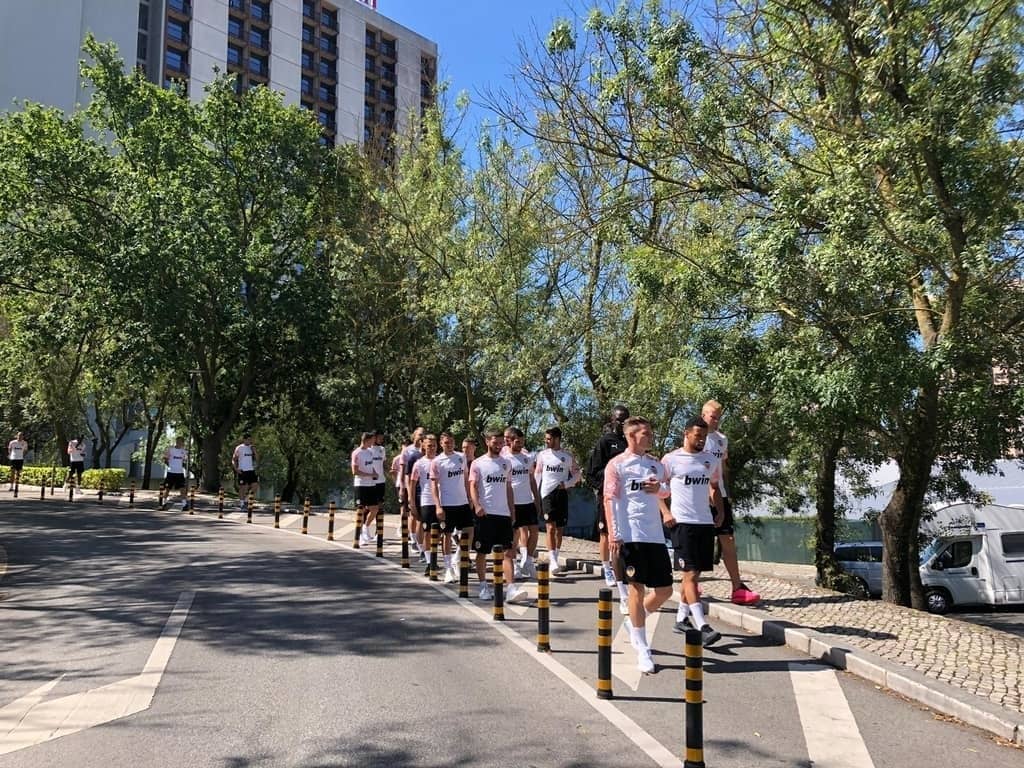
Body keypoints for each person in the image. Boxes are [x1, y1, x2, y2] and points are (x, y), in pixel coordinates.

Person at [604, 416, 673, 674]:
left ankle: (635, 619)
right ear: (631, 436)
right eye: (646, 433)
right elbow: (609, 499)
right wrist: (614, 534)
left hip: (655, 535)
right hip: (630, 534)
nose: (651, 436)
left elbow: (666, 489)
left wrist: (660, 489)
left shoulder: (655, 464)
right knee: (636, 589)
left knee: (665, 590)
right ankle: (643, 648)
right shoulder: (617, 465)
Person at [662, 416, 724, 647]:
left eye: (704, 437)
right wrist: (665, 512)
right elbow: (657, 488)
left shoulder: (710, 460)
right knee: (689, 573)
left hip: (705, 523)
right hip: (682, 523)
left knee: (695, 574)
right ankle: (702, 625)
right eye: (698, 436)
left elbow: (714, 487)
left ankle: (681, 619)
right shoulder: (671, 460)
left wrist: (720, 510)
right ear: (686, 434)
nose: (701, 440)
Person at [702, 400, 760, 606]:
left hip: (720, 494)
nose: (716, 421)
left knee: (728, 539)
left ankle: (737, 587)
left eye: (718, 417)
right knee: (700, 542)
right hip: (699, 496)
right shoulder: (696, 437)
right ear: (703, 415)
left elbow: (723, 467)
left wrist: (727, 492)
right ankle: (691, 585)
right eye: (713, 417)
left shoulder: (722, 440)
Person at [470, 428, 527, 603]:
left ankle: (511, 589)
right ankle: (483, 586)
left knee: (508, 552)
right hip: (485, 514)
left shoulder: (506, 463)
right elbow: (472, 486)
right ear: (487, 441)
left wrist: (512, 510)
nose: (498, 445)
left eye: (501, 442)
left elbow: (508, 488)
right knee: (482, 552)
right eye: (495, 442)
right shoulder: (478, 463)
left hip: (503, 514)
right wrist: (477, 505)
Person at [587, 405, 630, 590]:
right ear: (613, 420)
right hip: (608, 496)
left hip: (626, 498)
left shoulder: (629, 442)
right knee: (606, 533)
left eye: (626, 420)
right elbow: (591, 473)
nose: (623, 423)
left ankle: (621, 566)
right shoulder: (605, 442)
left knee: (624, 533)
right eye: (620, 420)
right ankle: (607, 568)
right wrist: (606, 486)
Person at [534, 426, 581, 575]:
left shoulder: (567, 456)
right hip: (547, 494)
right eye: (546, 438)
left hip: (561, 494)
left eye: (549, 439)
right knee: (550, 527)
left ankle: (556, 555)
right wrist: (534, 495)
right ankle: (553, 561)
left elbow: (577, 474)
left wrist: (567, 484)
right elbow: (537, 475)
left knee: (560, 529)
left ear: (557, 439)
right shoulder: (542, 455)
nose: (546, 441)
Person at [430, 431, 474, 583]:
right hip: (447, 503)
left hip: (463, 502)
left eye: (451, 442)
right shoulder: (437, 461)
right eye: (446, 442)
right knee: (447, 535)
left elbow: (466, 479)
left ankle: (457, 557)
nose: (449, 445)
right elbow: (434, 485)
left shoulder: (461, 457)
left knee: (469, 531)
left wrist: (470, 498)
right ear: (441, 444)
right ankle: (448, 569)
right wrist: (438, 506)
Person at [505, 427, 541, 579]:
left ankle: (528, 561)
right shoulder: (505, 460)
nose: (520, 445)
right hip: (513, 503)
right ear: (510, 441)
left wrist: (537, 499)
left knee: (535, 531)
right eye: (517, 442)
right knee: (514, 535)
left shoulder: (527, 458)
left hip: (527, 501)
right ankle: (514, 565)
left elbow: (532, 479)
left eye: (522, 442)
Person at [409, 434, 439, 575]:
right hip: (426, 501)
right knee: (427, 532)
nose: (431, 448)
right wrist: (412, 502)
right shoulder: (419, 463)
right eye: (429, 446)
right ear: (424, 446)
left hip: (442, 501)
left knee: (440, 533)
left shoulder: (440, 461)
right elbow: (412, 483)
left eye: (434, 445)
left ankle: (434, 559)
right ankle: (428, 562)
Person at [351, 432, 379, 545]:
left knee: (375, 509)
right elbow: (355, 471)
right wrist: (369, 475)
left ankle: (365, 527)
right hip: (360, 484)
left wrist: (374, 473)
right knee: (361, 509)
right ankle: (360, 535)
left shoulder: (370, 452)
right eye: (372, 440)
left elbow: (371, 467)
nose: (373, 442)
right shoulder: (356, 453)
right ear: (366, 440)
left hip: (371, 485)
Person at [401, 428, 425, 557]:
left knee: (420, 517)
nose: (422, 436)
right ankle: (413, 539)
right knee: (413, 514)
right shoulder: (408, 451)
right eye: (420, 434)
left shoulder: (428, 451)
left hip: (423, 488)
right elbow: (404, 471)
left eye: (423, 434)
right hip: (410, 486)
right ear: (414, 435)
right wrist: (403, 487)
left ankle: (421, 541)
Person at [232, 434, 259, 510]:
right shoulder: (239, 448)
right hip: (242, 470)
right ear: (244, 440)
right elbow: (234, 459)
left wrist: (254, 450)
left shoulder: (251, 447)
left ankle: (247, 500)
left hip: (251, 470)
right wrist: (236, 469)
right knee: (243, 487)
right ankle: (242, 504)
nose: (250, 441)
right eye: (248, 439)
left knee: (255, 486)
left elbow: (257, 459)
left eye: (250, 439)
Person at [163, 436, 189, 511]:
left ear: (183, 443)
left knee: (182, 489)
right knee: (167, 488)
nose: (179, 443)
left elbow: (185, 460)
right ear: (176, 442)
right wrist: (169, 465)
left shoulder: (184, 451)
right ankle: (163, 502)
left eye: (181, 442)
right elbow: (165, 458)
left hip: (179, 473)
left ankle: (184, 504)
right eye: (178, 441)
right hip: (171, 472)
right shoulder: (170, 450)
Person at [372, 430, 387, 531]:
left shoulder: (382, 449)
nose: (381, 440)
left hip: (381, 481)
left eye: (382, 438)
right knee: (369, 507)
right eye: (379, 438)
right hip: (370, 482)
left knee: (380, 505)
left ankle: (378, 530)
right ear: (374, 437)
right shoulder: (368, 449)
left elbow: (383, 463)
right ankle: (364, 528)